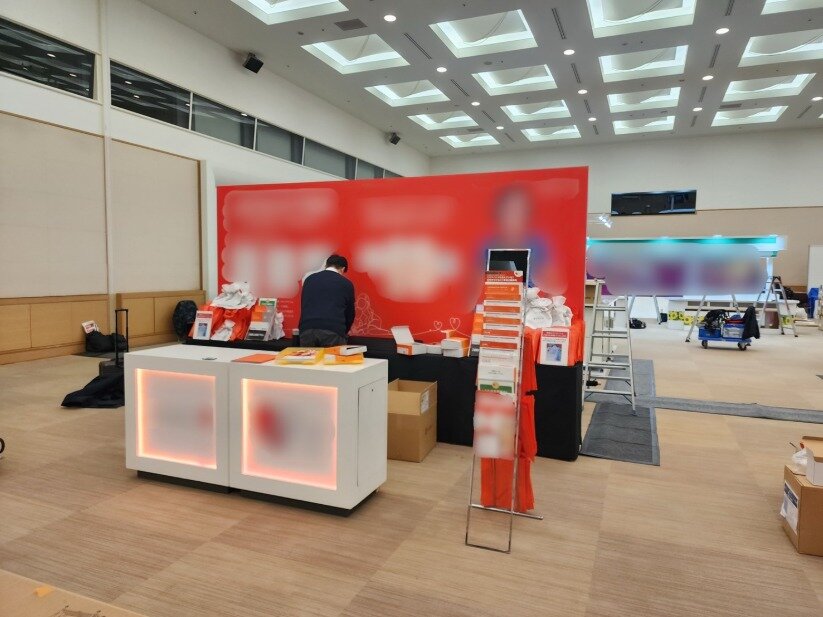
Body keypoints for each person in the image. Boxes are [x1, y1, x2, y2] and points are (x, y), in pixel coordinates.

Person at [298, 254, 355, 347]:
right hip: (333, 331)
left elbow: (304, 305)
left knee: (309, 357)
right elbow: (350, 313)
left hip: (307, 330)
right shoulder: (346, 283)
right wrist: (343, 331)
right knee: (331, 357)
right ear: (343, 269)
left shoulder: (309, 279)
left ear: (326, 265)